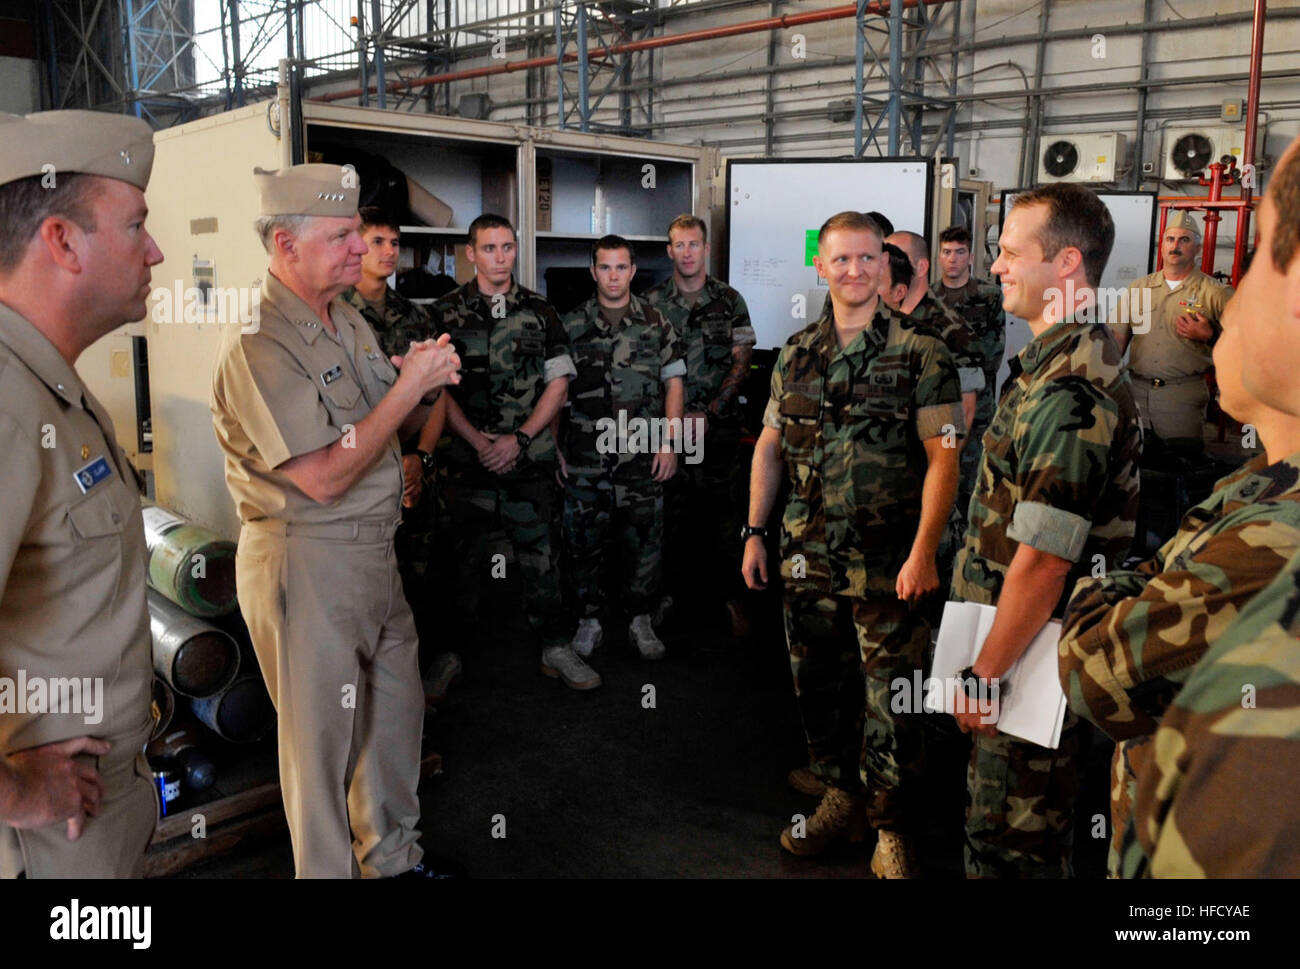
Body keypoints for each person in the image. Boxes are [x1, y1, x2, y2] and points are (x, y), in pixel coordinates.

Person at [210, 163, 461, 879]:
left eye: (360, 231)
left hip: (371, 555)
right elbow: (319, 474)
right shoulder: (259, 343)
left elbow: (391, 417)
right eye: (343, 234)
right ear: (285, 245)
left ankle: (393, 861)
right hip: (307, 560)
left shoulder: (343, 317)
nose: (362, 247)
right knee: (318, 751)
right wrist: (408, 387)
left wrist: (421, 377)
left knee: (391, 720)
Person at [743, 211, 963, 877]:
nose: (854, 271)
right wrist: (754, 530)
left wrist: (924, 550)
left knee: (892, 698)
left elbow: (945, 459)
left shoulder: (924, 351)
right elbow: (770, 446)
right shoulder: (796, 352)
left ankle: (890, 828)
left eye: (867, 258)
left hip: (888, 563)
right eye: (840, 259)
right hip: (806, 557)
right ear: (821, 266)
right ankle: (839, 799)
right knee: (820, 687)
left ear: (885, 265)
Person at [1058, 286, 1300, 877]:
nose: (1219, 346)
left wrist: (1111, 589)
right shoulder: (1256, 479)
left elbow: (1094, 668)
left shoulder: (1277, 530)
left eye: (1233, 324)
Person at [1117, 133, 1300, 877]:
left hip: (1187, 419)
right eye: (1177, 235)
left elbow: (1104, 669)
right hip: (1145, 413)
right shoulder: (1135, 292)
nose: (1184, 246)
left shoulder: (1264, 535)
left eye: (1257, 252)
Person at [950, 183, 1141, 878]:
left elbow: (1045, 562)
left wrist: (985, 674)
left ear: (1065, 264)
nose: (995, 265)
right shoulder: (1055, 365)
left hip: (1030, 656)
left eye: (1008, 252)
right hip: (1018, 638)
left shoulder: (1069, 388)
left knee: (1010, 845)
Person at [0, 110, 162, 878]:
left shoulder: (49, 384)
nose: (156, 250)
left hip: (99, 806)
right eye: (136, 225)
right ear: (62, 241)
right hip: (52, 838)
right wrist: (17, 793)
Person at [428, 214, 577, 686]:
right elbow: (434, 388)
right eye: (489, 248)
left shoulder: (540, 310)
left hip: (527, 460)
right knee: (457, 563)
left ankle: (555, 647)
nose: (500, 257)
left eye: (507, 247)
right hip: (466, 462)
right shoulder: (444, 313)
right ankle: (447, 656)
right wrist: (477, 442)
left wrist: (521, 439)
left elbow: (559, 384)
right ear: (470, 254)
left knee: (544, 560)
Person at [342, 207, 457, 701]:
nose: (389, 251)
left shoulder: (416, 317)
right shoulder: (337, 316)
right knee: (363, 583)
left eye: (395, 242)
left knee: (420, 573)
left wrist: (422, 459)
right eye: (378, 241)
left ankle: (421, 681)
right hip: (358, 469)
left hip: (410, 465)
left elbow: (438, 393)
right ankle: (368, 689)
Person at [559, 235, 684, 674]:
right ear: (593, 272)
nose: (613, 276)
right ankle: (588, 620)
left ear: (633, 271)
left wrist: (670, 442)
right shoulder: (570, 324)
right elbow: (556, 393)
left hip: (641, 456)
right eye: (605, 268)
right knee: (582, 543)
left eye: (621, 267)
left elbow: (674, 385)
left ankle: (640, 619)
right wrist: (557, 450)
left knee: (645, 541)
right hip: (586, 457)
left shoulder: (656, 322)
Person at [644, 215, 756, 638]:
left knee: (726, 518)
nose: (687, 253)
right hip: (669, 432)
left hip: (719, 428)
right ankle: (665, 599)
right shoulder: (651, 302)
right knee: (667, 518)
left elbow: (742, 362)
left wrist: (708, 412)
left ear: (706, 249)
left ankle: (733, 599)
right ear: (669, 251)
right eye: (679, 245)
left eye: (694, 244)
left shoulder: (730, 300)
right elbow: (645, 366)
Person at [1113, 211, 1233, 455]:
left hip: (1182, 397)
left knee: (1180, 467)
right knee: (1132, 464)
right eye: (1170, 239)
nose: (1175, 246)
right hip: (1136, 391)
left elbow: (1247, 345)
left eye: (1184, 240)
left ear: (1197, 248)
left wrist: (1210, 336)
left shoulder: (1215, 293)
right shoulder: (1139, 288)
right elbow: (1117, 341)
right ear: (1163, 246)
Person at [934, 224, 1006, 494]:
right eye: (947, 252)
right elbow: (922, 351)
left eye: (960, 252)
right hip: (936, 403)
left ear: (971, 257)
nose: (953, 258)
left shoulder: (989, 296)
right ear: (939, 256)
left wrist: (950, 362)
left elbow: (993, 352)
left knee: (973, 479)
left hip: (978, 406)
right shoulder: (929, 298)